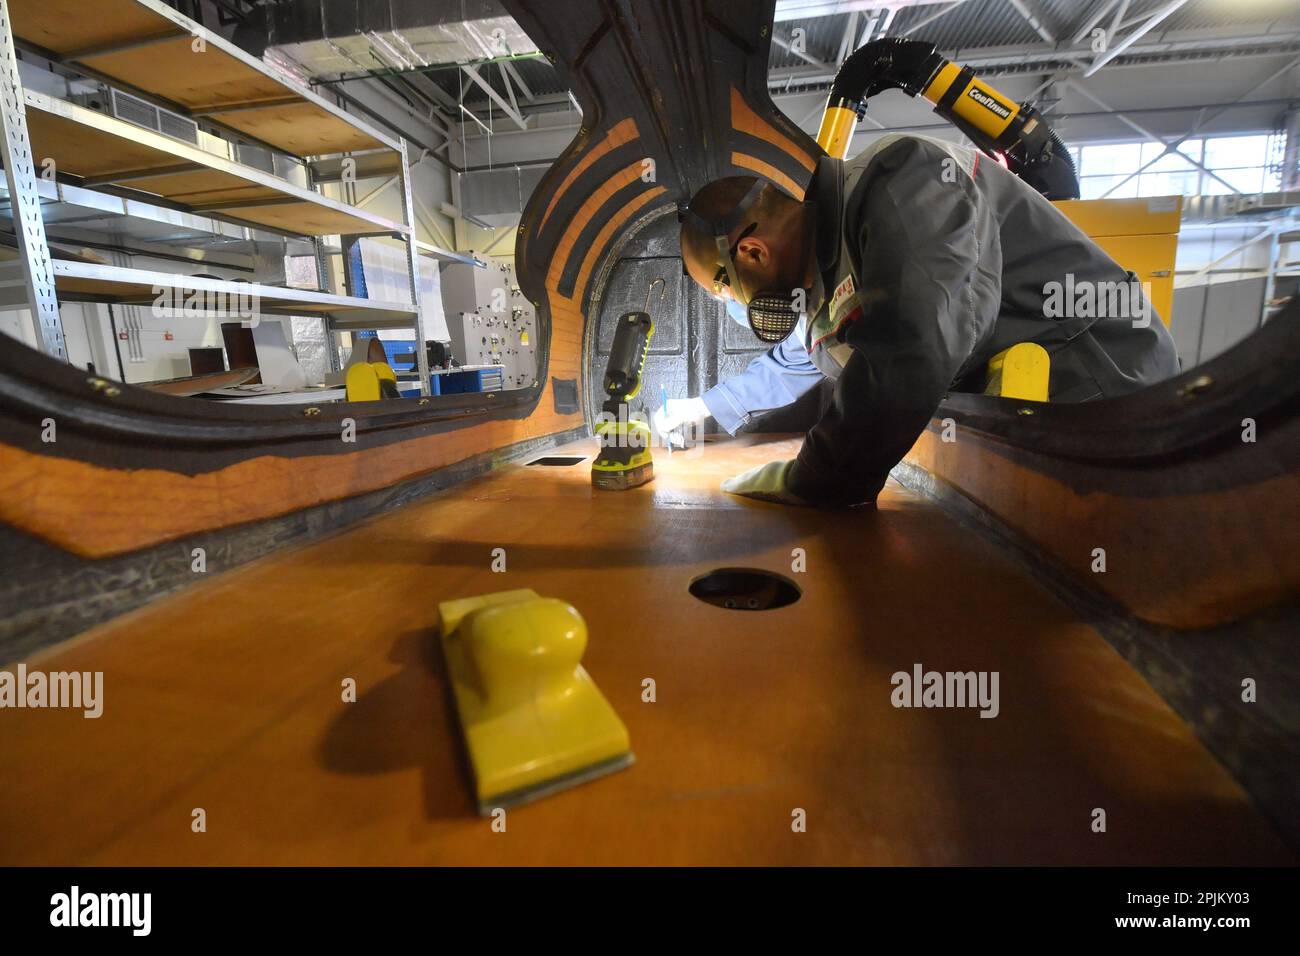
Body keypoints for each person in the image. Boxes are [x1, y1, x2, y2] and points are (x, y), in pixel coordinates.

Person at [665, 132, 1180, 507]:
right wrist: (707, 406)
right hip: (1030, 417)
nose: (729, 302)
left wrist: (814, 477)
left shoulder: (908, 176)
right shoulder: (821, 272)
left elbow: (913, 344)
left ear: (752, 253)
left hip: (1102, 387)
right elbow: (803, 358)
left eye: (721, 288)